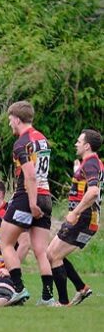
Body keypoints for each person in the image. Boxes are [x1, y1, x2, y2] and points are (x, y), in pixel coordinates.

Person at [0, 101, 54, 305]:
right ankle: (48, 297)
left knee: (5, 242)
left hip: (28, 196)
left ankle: (19, 289)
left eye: (10, 120)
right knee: (40, 250)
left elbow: (30, 176)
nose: (9, 124)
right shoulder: (42, 139)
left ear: (17, 119)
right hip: (47, 196)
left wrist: (31, 203)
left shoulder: (22, 142)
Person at [47, 129, 101, 306]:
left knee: (54, 255)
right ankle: (81, 288)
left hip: (84, 218)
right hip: (83, 218)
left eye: (79, 141)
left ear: (87, 146)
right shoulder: (89, 163)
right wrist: (77, 171)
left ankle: (63, 303)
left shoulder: (91, 163)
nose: (76, 144)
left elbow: (93, 191)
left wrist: (75, 212)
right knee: (51, 253)